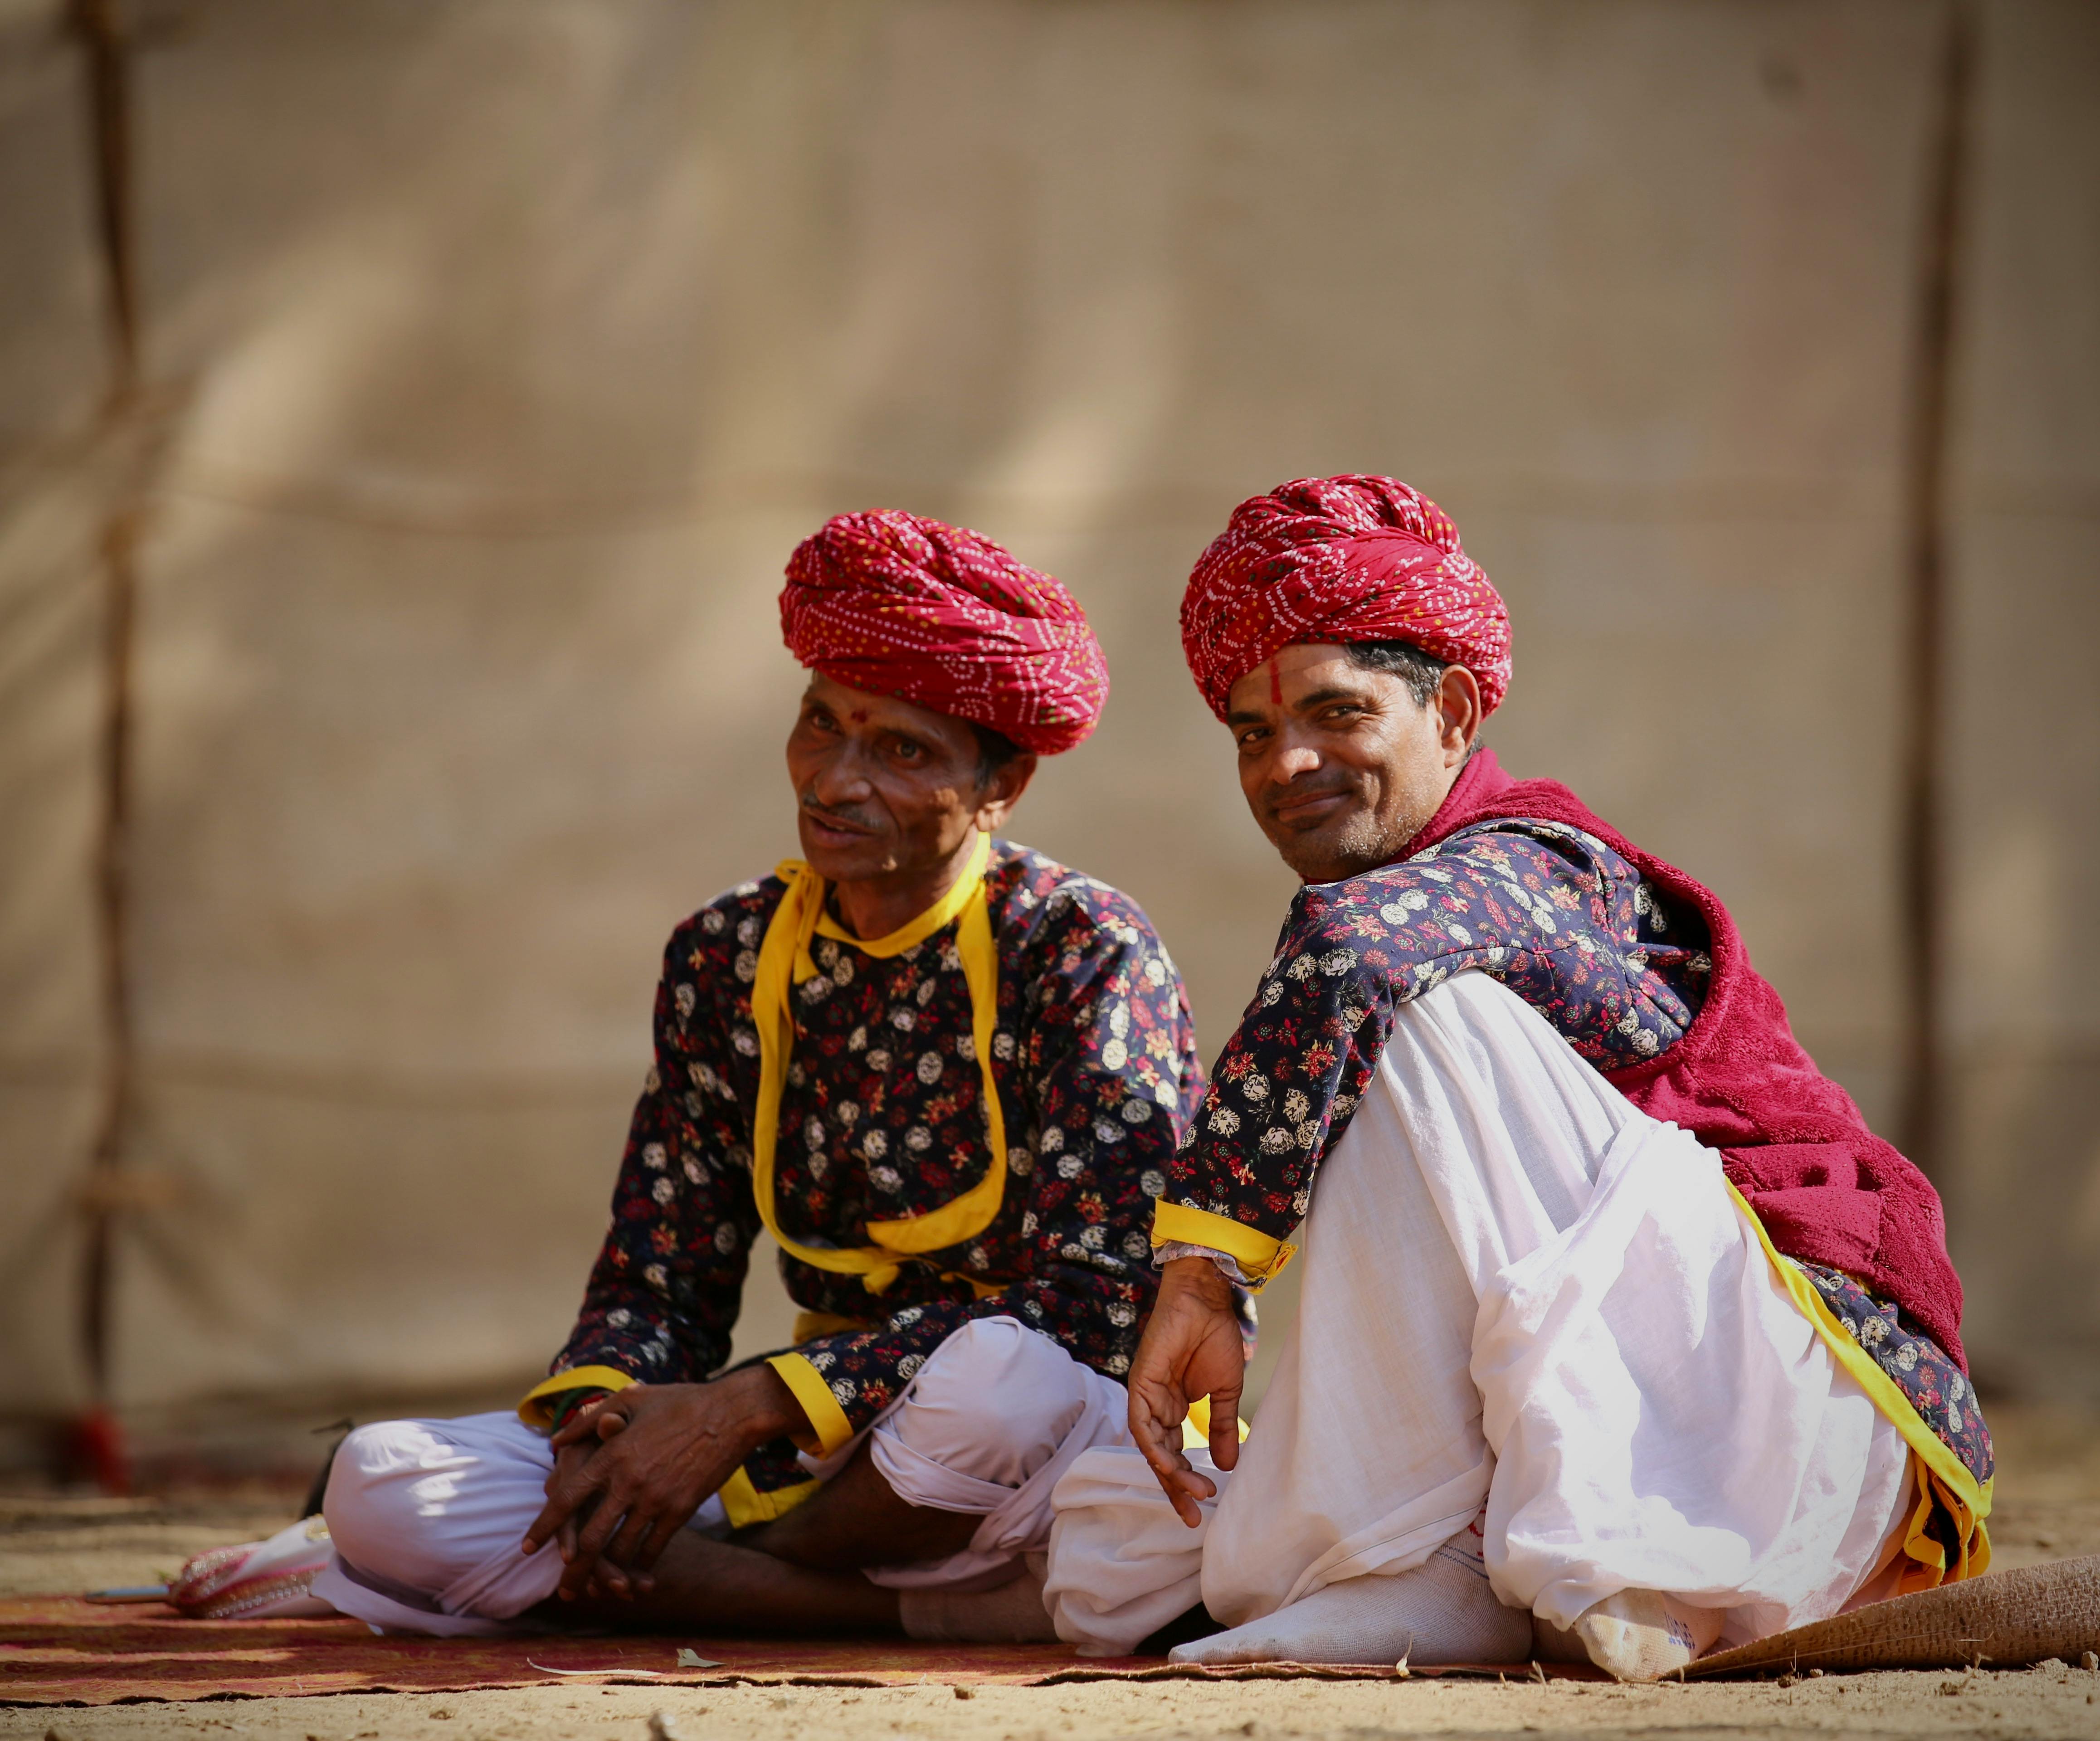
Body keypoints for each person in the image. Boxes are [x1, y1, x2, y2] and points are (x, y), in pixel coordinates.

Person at [1043, 476, 1992, 1678]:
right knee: (1104, 1561)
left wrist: (1203, 1265)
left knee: (1435, 1017)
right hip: (1642, 1417)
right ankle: (1461, 1563)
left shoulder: (1532, 864)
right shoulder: (1389, 930)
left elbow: (1352, 954)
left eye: (1336, 715)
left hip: (1788, 1437)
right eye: (1252, 733)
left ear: (1449, 710)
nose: (1286, 764)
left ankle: (1458, 1566)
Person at [296, 510, 1207, 1639]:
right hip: (812, 1464)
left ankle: (724, 1581)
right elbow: (659, 1279)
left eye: (902, 750)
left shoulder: (1080, 948)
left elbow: (1100, 1303)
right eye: (820, 725)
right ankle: (810, 1593)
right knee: (381, 1483)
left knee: (998, 1380)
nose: (836, 780)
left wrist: (746, 1406)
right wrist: (607, 1438)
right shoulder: (726, 953)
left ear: (1002, 783)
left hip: (1021, 1454)